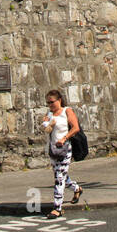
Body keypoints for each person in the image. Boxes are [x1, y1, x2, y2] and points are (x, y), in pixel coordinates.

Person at [41, 88, 83, 217]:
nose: (50, 105)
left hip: (65, 148)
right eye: (48, 103)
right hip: (53, 149)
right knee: (61, 174)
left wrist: (64, 138)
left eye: (52, 102)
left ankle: (57, 208)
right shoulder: (49, 114)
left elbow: (75, 128)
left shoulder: (67, 111)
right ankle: (77, 189)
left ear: (59, 100)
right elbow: (46, 129)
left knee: (59, 177)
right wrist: (46, 124)